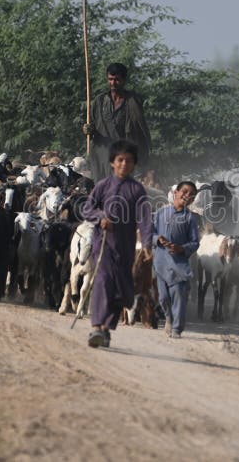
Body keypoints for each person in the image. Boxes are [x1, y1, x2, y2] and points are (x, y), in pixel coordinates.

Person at [81, 139, 153, 348]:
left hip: (125, 246)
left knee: (121, 290)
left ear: (134, 164)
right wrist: (101, 217)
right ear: (112, 162)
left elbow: (145, 218)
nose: (124, 164)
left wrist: (147, 243)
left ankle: (106, 327)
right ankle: (97, 327)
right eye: (120, 160)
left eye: (129, 161)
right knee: (103, 281)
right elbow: (87, 209)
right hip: (102, 244)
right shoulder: (102, 186)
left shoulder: (137, 190)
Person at [82, 63, 151, 181]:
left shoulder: (132, 102)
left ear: (124, 80)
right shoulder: (100, 101)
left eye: (117, 80)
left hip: (123, 155)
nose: (113, 83)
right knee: (101, 188)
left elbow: (140, 130)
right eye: (110, 79)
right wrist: (87, 129)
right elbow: (92, 124)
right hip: (102, 155)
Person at [153, 181, 200, 338]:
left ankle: (177, 329)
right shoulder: (160, 213)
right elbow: (149, 233)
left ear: (193, 200)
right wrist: (156, 239)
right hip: (160, 262)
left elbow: (195, 243)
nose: (187, 196)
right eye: (185, 192)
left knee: (178, 295)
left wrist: (182, 248)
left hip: (179, 264)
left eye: (191, 195)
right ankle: (168, 318)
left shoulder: (190, 218)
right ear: (175, 193)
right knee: (163, 297)